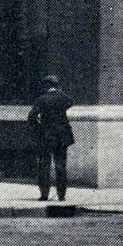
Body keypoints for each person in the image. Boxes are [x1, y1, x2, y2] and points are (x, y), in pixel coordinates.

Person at [27, 74, 74, 203]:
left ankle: (44, 194)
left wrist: (39, 127)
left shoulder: (42, 99)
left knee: (44, 165)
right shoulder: (64, 98)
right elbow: (70, 103)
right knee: (60, 165)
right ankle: (61, 195)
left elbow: (31, 117)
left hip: (46, 136)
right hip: (62, 137)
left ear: (46, 85)